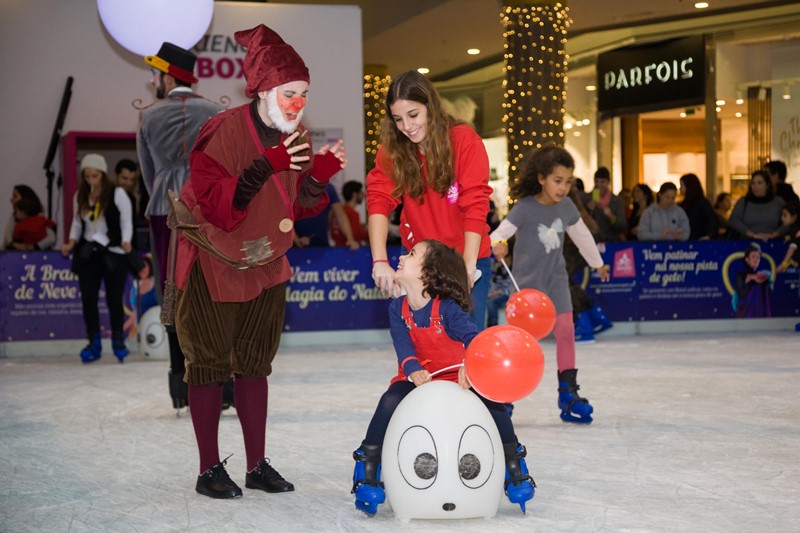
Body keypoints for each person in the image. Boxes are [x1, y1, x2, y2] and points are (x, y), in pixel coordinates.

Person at [170, 24, 346, 499]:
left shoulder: (297, 136)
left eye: (304, 94)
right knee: (207, 365)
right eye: (290, 93)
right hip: (215, 262)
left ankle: (256, 464)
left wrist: (320, 175)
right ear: (264, 89)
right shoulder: (222, 131)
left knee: (254, 365)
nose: (297, 103)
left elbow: (299, 206)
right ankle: (209, 468)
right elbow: (214, 205)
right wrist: (265, 166)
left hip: (267, 263)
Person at [350, 239, 535, 516]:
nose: (401, 257)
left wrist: (470, 367)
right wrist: (412, 369)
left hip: (455, 377)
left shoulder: (447, 309)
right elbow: (402, 344)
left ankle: (512, 462)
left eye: (411, 254)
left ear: (428, 273)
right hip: (415, 377)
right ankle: (368, 463)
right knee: (389, 401)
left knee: (494, 405)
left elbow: (474, 339)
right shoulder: (397, 308)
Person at [490, 144, 610, 424]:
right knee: (520, 344)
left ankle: (568, 395)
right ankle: (505, 399)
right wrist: (498, 244)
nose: (563, 187)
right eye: (558, 180)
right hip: (527, 289)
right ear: (542, 178)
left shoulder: (566, 206)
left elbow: (582, 237)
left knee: (566, 331)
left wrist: (597, 263)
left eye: (568, 181)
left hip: (556, 280)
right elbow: (499, 233)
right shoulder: (525, 208)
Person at [366, 70, 493, 329]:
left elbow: (476, 203)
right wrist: (379, 261)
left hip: (466, 256)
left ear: (430, 107)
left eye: (413, 115)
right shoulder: (394, 149)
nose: (407, 126)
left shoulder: (464, 140)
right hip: (418, 261)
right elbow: (378, 198)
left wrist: (467, 265)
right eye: (398, 119)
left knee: (467, 347)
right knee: (421, 344)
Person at [136, 42, 224, 410]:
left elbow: (147, 172)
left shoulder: (149, 116)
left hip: (164, 207)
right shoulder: (216, 112)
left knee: (172, 290)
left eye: (156, 74)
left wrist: (164, 188)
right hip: (207, 206)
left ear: (170, 77)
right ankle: (222, 384)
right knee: (214, 286)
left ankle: (180, 383)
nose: (153, 80)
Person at [60, 154, 133, 363]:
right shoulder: (80, 195)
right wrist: (71, 242)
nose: (91, 180)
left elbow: (126, 222)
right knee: (89, 299)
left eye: (95, 176)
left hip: (113, 251)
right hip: (88, 252)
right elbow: (76, 223)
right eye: (87, 176)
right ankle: (94, 342)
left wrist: (126, 240)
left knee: (114, 298)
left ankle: (118, 342)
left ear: (103, 174)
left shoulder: (117, 194)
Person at [565, 184, 612, 343]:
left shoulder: (565, 198)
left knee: (566, 285)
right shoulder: (572, 196)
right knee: (568, 284)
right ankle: (597, 317)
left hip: (574, 247)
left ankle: (585, 325)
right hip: (577, 245)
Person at [727, 170, 786, 241]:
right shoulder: (743, 202)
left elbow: (790, 222)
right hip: (746, 243)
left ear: (767, 185)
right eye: (753, 183)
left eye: (759, 183)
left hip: (773, 242)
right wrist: (752, 234)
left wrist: (774, 234)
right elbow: (734, 220)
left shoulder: (778, 202)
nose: (755, 186)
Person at [1, 185, 56, 251]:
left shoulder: (40, 219)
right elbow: (7, 237)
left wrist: (34, 247)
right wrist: (16, 245)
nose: (11, 199)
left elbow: (51, 238)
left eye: (15, 196)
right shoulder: (14, 217)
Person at [115, 159, 149, 250]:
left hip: (128, 247)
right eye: (124, 178)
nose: (128, 183)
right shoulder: (108, 196)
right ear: (116, 176)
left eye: (132, 180)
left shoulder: (132, 198)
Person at [586, 167, 627, 242]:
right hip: (592, 242)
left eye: (602, 182)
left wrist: (611, 216)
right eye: (597, 181)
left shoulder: (616, 201)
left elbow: (622, 226)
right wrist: (588, 210)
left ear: (608, 182)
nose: (599, 184)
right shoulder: (587, 198)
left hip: (611, 242)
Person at [732, 242, 772, 318]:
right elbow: (741, 295)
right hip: (746, 316)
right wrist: (749, 279)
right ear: (747, 259)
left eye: (758, 257)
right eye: (753, 257)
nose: (756, 259)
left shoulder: (763, 276)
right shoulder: (740, 275)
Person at [330, 180, 369, 248]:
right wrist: (373, 232)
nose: (363, 194)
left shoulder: (337, 212)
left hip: (337, 249)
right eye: (360, 192)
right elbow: (356, 235)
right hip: (349, 250)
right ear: (354, 194)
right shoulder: (352, 213)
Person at [679, 173, 718, 240]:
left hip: (699, 240)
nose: (680, 188)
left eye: (682, 185)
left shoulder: (702, 203)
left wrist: (709, 235)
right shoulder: (682, 204)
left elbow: (712, 220)